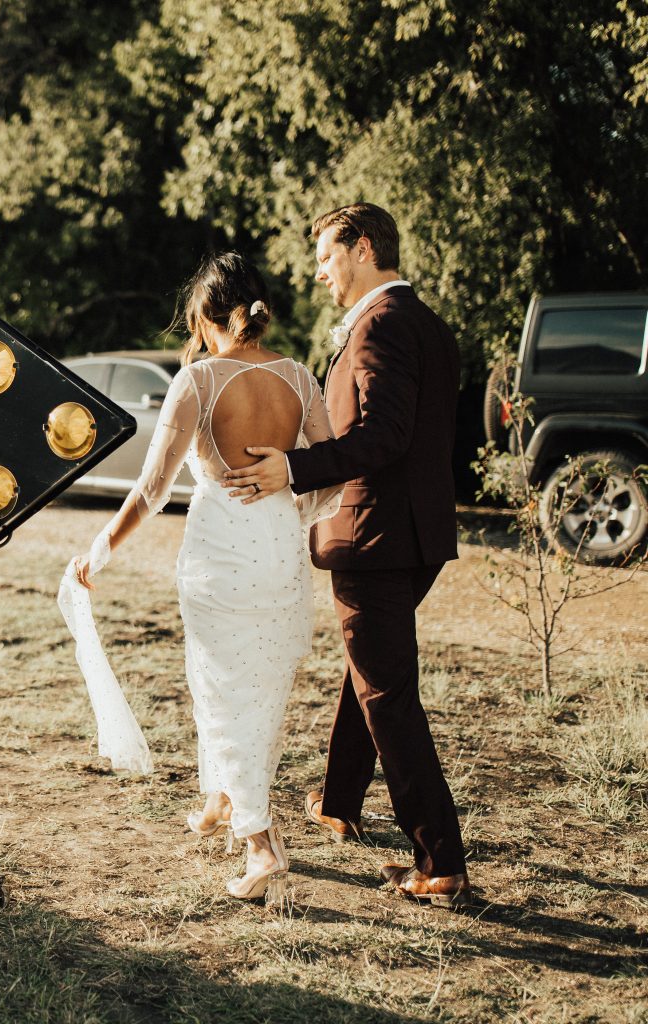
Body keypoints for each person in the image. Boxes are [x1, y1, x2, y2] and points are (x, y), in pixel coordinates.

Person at [221, 203, 472, 909]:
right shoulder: (425, 322)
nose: (321, 272)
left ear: (362, 249)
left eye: (328, 257)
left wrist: (294, 469)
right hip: (412, 535)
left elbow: (384, 436)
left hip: (376, 536)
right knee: (370, 673)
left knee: (388, 696)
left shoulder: (380, 325)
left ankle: (439, 861)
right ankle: (338, 800)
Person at [72, 252, 340, 904]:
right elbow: (333, 472)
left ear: (203, 314)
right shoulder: (300, 379)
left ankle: (262, 844)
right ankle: (222, 799)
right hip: (279, 556)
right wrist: (289, 511)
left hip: (220, 559)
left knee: (222, 695)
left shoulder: (196, 382)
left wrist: (98, 552)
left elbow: (151, 489)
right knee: (257, 697)